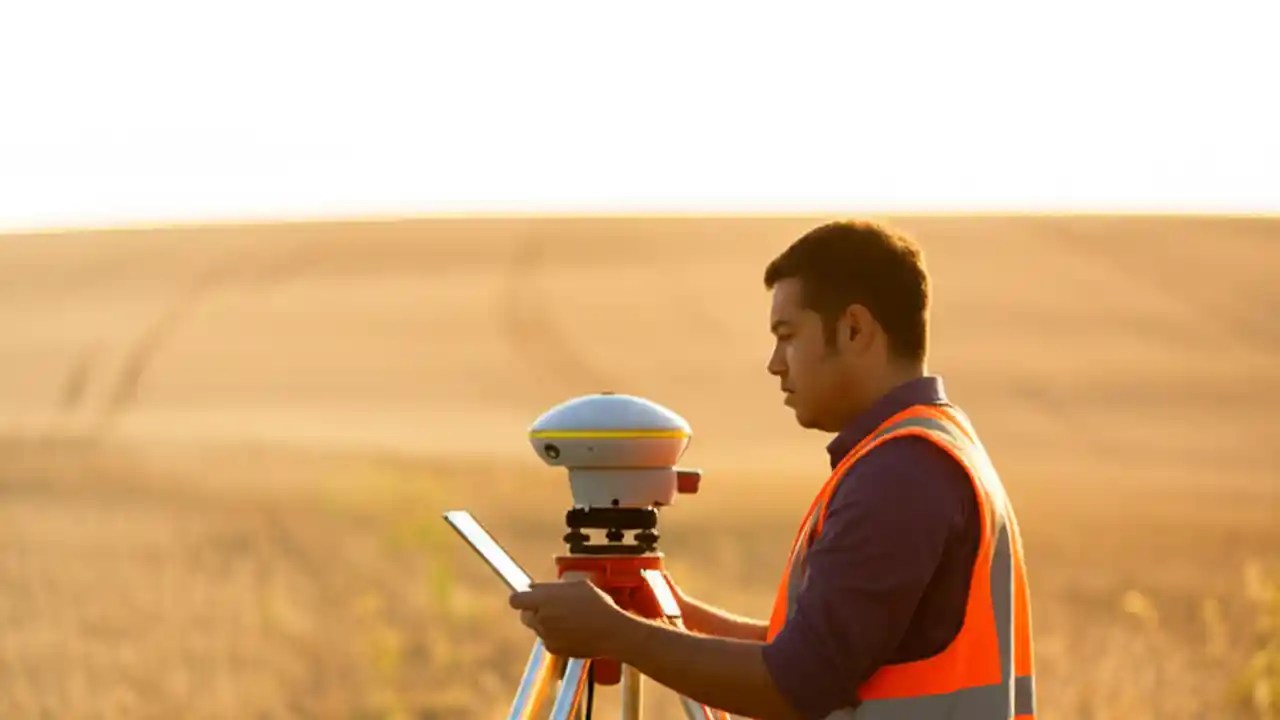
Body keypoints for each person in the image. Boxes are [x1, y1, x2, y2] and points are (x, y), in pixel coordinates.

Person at [509, 220, 1037, 719]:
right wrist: (667, 615)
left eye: (788, 335)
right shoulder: (930, 446)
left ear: (853, 330)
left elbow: (797, 682)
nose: (775, 363)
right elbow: (819, 649)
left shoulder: (901, 474)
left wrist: (616, 635)